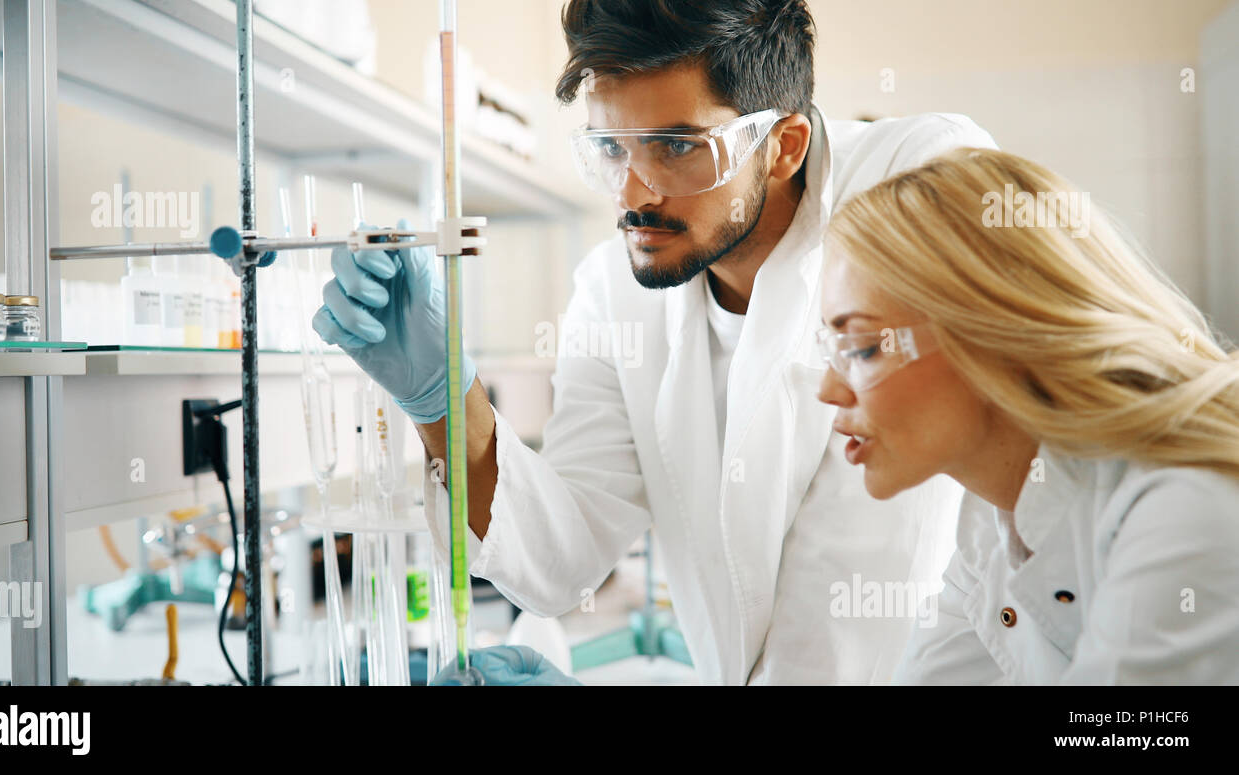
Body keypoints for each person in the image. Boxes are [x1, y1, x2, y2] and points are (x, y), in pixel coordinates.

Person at [314, 0, 996, 684]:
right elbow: (559, 557)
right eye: (610, 148)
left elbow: (849, 616)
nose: (633, 194)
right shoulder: (612, 292)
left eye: (676, 147)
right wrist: (443, 400)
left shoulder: (916, 180)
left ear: (784, 146)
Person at [814, 147, 1239, 683]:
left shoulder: (1187, 506)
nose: (829, 390)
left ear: (994, 336)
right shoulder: (992, 520)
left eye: (864, 348)